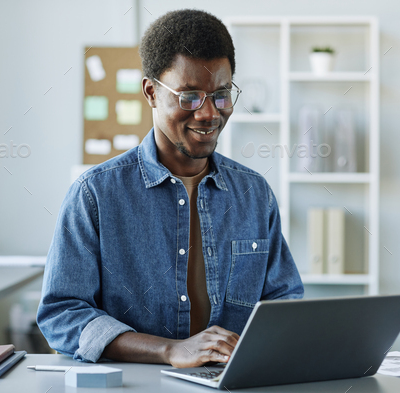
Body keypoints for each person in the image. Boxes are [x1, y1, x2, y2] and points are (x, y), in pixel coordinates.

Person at [37, 9, 303, 368]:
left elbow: (284, 299)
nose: (209, 113)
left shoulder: (254, 194)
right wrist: (168, 349)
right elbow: (61, 314)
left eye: (221, 94)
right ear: (150, 92)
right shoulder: (94, 195)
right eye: (189, 96)